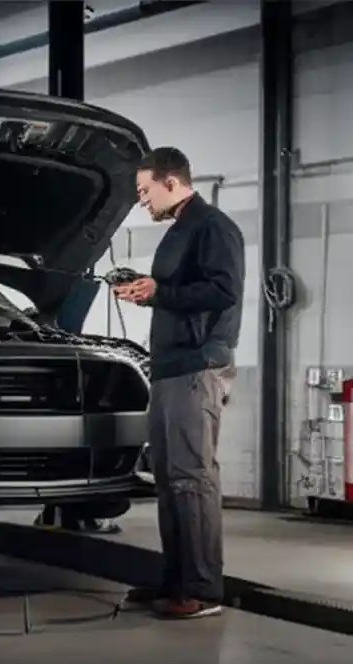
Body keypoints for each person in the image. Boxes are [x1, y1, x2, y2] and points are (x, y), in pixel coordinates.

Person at [113, 147, 244, 620]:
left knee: (193, 477)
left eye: (145, 191)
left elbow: (224, 289)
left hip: (197, 365)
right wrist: (149, 292)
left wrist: (160, 292)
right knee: (169, 478)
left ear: (172, 182)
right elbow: (175, 293)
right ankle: (175, 579)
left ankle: (203, 589)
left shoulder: (213, 227)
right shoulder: (179, 231)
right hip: (168, 367)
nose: (142, 200)